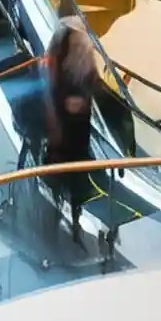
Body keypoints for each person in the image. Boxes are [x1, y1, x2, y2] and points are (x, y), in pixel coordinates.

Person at [41, 17, 97, 268]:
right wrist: (65, 105)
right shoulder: (57, 56)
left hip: (78, 130)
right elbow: (51, 89)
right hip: (64, 129)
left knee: (75, 180)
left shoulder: (83, 57)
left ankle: (73, 227)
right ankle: (54, 231)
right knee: (61, 177)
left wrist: (81, 102)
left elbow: (90, 85)